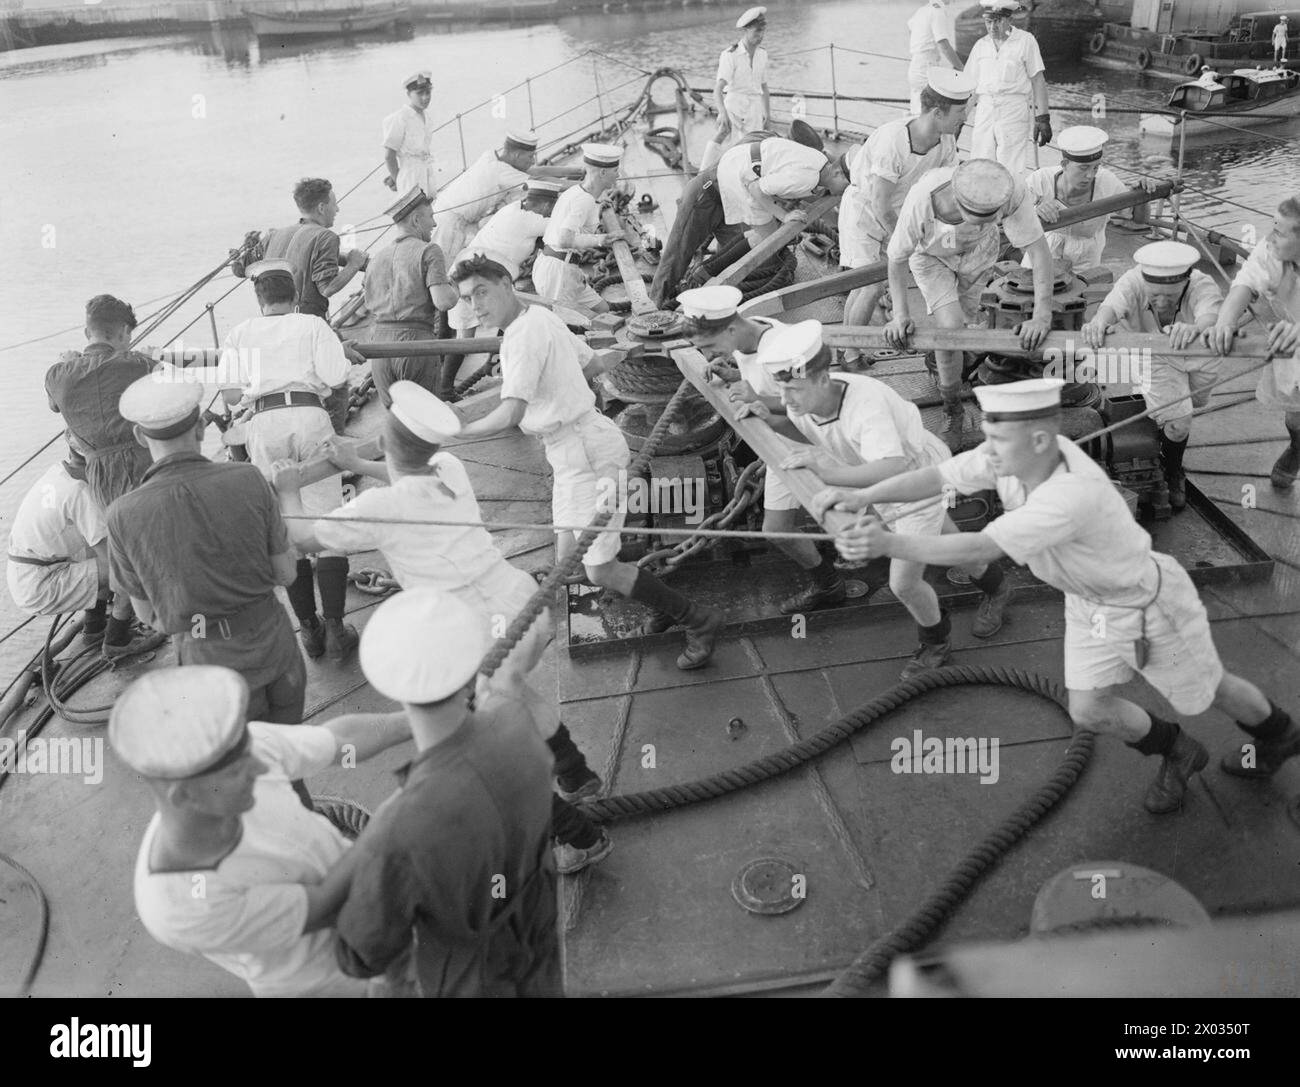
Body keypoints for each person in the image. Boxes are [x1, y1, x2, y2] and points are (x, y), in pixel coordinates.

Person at [826, 378, 1300, 814]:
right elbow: (937, 477)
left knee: (1209, 687)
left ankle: (1279, 737)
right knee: (1089, 709)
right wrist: (860, 493)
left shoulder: (1067, 494)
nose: (987, 450)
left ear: (1038, 440)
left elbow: (979, 547)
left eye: (997, 439)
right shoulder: (1012, 454)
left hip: (1146, 606)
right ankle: (1178, 750)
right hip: (1089, 602)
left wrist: (887, 544)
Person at [271, 381, 613, 874]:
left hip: (480, 640)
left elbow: (302, 535)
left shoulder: (381, 509)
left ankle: (581, 838)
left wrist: (287, 489)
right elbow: (403, 474)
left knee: (489, 748)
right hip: (524, 610)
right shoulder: (450, 468)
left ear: (386, 444)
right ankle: (576, 775)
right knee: (516, 694)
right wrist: (356, 463)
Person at [452, 255, 725, 670]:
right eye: (468, 299)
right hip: (569, 451)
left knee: (597, 570)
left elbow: (509, 413)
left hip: (588, 452)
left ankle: (696, 619)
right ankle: (658, 601)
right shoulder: (538, 317)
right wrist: (627, 349)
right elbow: (594, 364)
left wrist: (456, 432)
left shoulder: (523, 337)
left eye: (481, 292)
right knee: (569, 560)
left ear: (507, 283)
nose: (475, 306)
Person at [110, 665, 413, 997]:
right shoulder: (182, 905)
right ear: (184, 795)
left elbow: (342, 744)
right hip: (337, 982)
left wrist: (421, 719)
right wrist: (407, 803)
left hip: (378, 910)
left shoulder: (240, 752)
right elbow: (326, 905)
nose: (258, 767)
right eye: (240, 769)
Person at [333, 588, 563, 997]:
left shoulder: (399, 830)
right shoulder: (515, 721)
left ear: (390, 683)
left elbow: (361, 954)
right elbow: (499, 698)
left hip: (472, 979)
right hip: (538, 943)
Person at [751, 320, 1014, 676]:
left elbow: (890, 465)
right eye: (782, 392)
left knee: (903, 582)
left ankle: (936, 643)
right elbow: (809, 432)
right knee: (946, 538)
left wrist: (827, 474)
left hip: (918, 481)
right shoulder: (810, 399)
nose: (785, 400)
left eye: (792, 390)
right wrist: (770, 419)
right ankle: (997, 588)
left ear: (822, 378)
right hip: (886, 482)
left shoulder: (864, 404)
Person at [108, 376, 306, 726]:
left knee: (239, 769)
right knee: (289, 757)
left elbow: (147, 615)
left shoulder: (122, 515)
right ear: (200, 427)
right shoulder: (249, 478)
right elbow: (287, 574)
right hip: (274, 647)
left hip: (207, 665)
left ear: (140, 437)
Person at [678, 285, 856, 614]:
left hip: (816, 445)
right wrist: (731, 373)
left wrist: (758, 399)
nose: (708, 354)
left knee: (865, 520)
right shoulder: (752, 331)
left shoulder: (779, 346)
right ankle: (829, 584)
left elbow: (819, 405)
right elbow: (762, 378)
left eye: (711, 346)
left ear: (730, 327)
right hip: (780, 447)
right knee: (776, 530)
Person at [223, 259, 359, 661]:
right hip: (309, 415)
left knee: (284, 525)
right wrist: (345, 354)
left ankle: (309, 631)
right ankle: (336, 627)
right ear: (295, 294)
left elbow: (231, 397)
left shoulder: (238, 333)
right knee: (328, 518)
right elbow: (335, 378)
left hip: (264, 423)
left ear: (258, 297)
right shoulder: (313, 326)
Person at [884, 157, 1054, 447]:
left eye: (992, 217)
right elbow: (896, 259)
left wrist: (1042, 314)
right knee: (951, 330)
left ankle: (944, 360)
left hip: (978, 255)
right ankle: (953, 407)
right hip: (931, 257)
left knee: (961, 331)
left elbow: (1039, 252)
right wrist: (900, 314)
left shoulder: (1009, 188)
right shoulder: (922, 199)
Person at [1080, 241, 1223, 510]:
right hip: (1152, 352)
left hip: (1199, 352)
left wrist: (1196, 328)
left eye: (1169, 298)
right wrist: (1099, 322)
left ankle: (1163, 437)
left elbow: (1211, 314)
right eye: (1154, 296)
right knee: (1179, 421)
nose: (1160, 302)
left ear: (1185, 283)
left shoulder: (1202, 284)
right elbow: (1110, 307)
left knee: (1195, 404)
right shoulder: (1132, 280)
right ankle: (1172, 469)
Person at [838, 68, 971, 351]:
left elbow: (948, 190)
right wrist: (909, 244)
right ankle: (850, 352)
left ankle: (848, 348)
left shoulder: (946, 142)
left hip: (896, 215)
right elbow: (879, 204)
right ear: (938, 112)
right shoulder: (893, 141)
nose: (966, 118)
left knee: (865, 286)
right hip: (864, 213)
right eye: (960, 112)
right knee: (870, 285)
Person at [239, 178, 368, 433]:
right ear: (321, 207)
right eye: (334, 203)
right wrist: (354, 262)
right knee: (337, 389)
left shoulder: (274, 235)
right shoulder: (325, 237)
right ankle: (333, 446)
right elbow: (327, 287)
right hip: (309, 324)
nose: (337, 209)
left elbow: (242, 269)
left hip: (273, 325)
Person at [6, 459, 163, 660]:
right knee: (128, 567)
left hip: (28, 574)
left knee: (97, 549)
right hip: (41, 583)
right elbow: (114, 566)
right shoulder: (80, 491)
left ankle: (94, 628)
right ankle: (117, 641)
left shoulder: (57, 474)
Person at [651, 122, 820, 306]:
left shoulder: (767, 139)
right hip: (703, 196)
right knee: (677, 256)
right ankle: (654, 307)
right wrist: (782, 216)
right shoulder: (774, 154)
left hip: (730, 203)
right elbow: (757, 190)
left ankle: (709, 290)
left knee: (741, 256)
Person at [1205, 195, 1300, 490]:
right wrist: (1226, 320)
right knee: (1296, 414)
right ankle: (1298, 448)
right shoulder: (1272, 248)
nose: (1271, 236)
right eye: (1274, 225)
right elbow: (1246, 280)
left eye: (1281, 232)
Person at [45, 294, 153, 514]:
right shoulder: (139, 364)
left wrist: (70, 363)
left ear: (87, 333)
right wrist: (149, 357)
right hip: (145, 468)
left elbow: (53, 405)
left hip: (100, 481)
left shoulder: (56, 375)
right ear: (124, 331)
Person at [363, 187, 459, 405]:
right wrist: (456, 287)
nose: (434, 224)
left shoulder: (377, 258)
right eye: (431, 217)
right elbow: (443, 301)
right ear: (416, 220)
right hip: (415, 345)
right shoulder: (428, 250)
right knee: (426, 419)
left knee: (397, 422)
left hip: (380, 346)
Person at [1023, 126, 1161, 273]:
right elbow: (1014, 214)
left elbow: (1139, 219)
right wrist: (1035, 211)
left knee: (1084, 292)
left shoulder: (1107, 182)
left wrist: (1142, 196)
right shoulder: (1040, 180)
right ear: (1064, 164)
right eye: (1084, 168)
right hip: (1044, 247)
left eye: (1095, 168)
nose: (1090, 175)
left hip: (1087, 256)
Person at [712, 135, 851, 273]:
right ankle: (711, 269)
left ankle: (712, 264)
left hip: (741, 158)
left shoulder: (822, 161)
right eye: (848, 184)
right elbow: (755, 189)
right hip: (740, 173)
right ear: (837, 173)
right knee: (771, 240)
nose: (848, 190)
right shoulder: (806, 179)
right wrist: (784, 216)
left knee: (764, 232)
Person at [447, 177, 561, 338]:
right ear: (546, 205)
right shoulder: (530, 221)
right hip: (470, 278)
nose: (550, 214)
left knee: (509, 318)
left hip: (475, 273)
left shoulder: (513, 208)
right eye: (551, 209)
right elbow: (562, 227)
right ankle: (449, 362)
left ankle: (491, 359)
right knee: (464, 340)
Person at [531, 142, 624, 313]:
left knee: (603, 310)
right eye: (615, 171)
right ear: (603, 173)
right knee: (564, 326)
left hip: (563, 268)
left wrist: (598, 206)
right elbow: (565, 240)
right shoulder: (584, 200)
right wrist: (601, 240)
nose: (618, 175)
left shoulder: (577, 192)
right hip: (558, 273)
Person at [963, 0, 1050, 177]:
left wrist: (1042, 117)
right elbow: (970, 87)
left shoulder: (1025, 41)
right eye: (989, 21)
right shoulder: (981, 45)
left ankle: (1010, 203)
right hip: (985, 109)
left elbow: (1038, 81)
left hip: (1013, 109)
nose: (992, 27)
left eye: (998, 21)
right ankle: (982, 202)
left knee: (1010, 167)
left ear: (1009, 19)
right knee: (979, 163)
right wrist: (959, 119)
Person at [431, 131, 538, 263]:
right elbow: (537, 181)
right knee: (444, 263)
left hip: (449, 214)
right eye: (530, 157)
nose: (533, 161)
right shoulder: (501, 172)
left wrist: (570, 171)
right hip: (450, 222)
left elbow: (535, 172)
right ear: (517, 155)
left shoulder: (489, 157)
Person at [699, 7, 772, 172]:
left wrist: (767, 114)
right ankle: (701, 175)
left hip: (753, 108)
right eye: (756, 32)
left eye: (763, 32)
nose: (760, 36)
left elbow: (764, 87)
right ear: (746, 30)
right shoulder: (730, 55)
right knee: (723, 137)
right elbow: (717, 90)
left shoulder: (762, 54)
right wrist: (722, 113)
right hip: (734, 105)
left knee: (753, 150)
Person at [383, 71, 437, 198]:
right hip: (410, 178)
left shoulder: (426, 117)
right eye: (419, 93)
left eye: (428, 92)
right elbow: (389, 156)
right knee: (416, 215)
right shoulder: (400, 118)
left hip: (427, 173)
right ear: (409, 94)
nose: (425, 97)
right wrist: (398, 180)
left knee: (429, 211)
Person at [906, 0, 963, 115]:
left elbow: (910, 28)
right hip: (926, 66)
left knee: (917, 111)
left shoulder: (922, 10)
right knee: (930, 113)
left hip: (916, 64)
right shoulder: (937, 11)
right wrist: (961, 68)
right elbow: (943, 44)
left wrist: (921, 46)